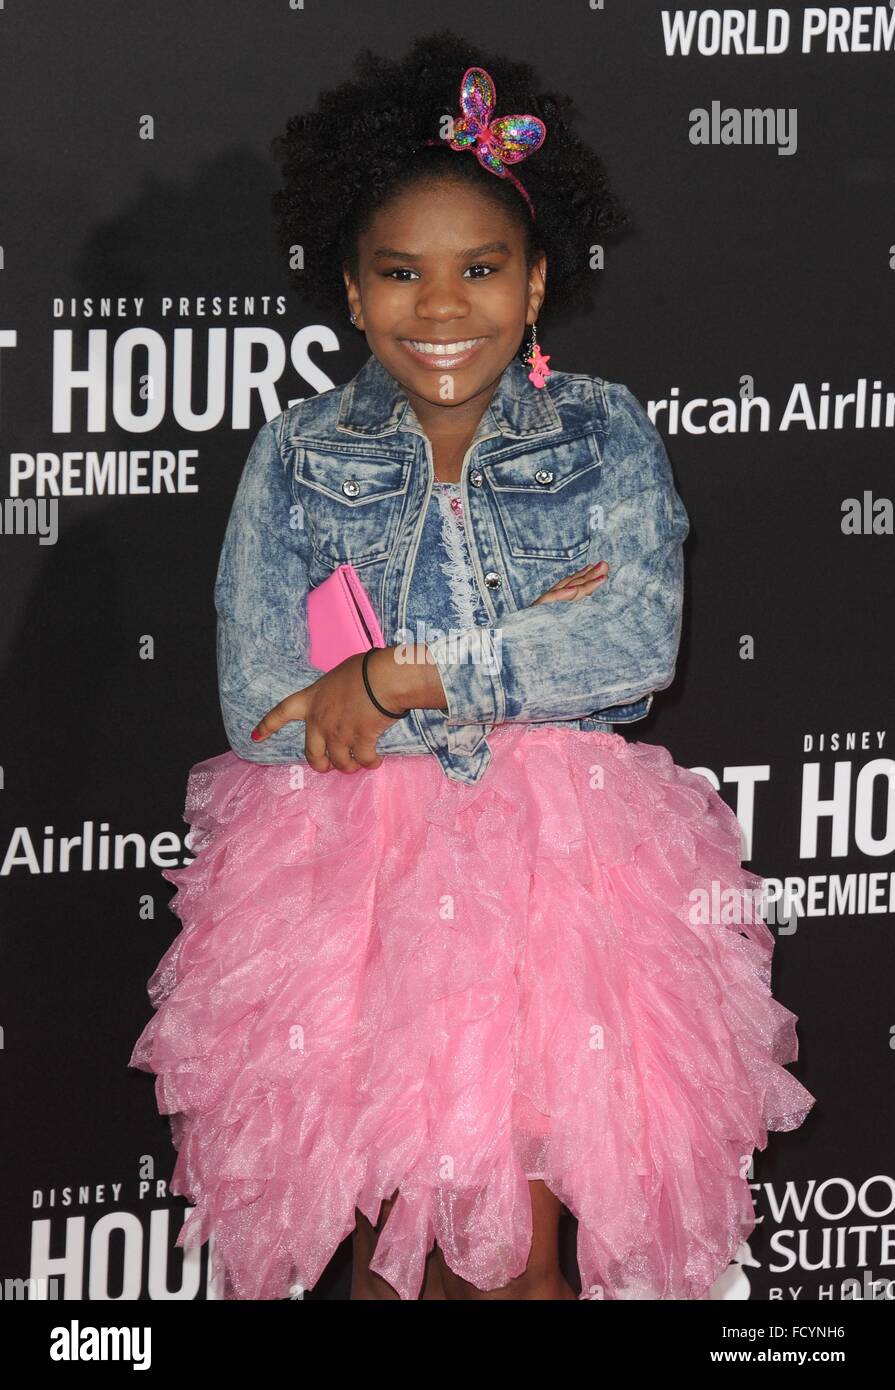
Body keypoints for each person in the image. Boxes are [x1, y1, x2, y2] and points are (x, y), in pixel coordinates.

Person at [128, 30, 816, 1302]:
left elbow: (629, 651)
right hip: (348, 891)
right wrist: (521, 658)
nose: (441, 308)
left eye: (480, 269)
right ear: (349, 288)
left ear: (537, 281)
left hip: (563, 879)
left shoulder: (602, 430)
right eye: (400, 273)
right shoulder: (294, 453)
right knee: (399, 1255)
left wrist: (395, 676)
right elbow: (264, 709)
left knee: (520, 1254)